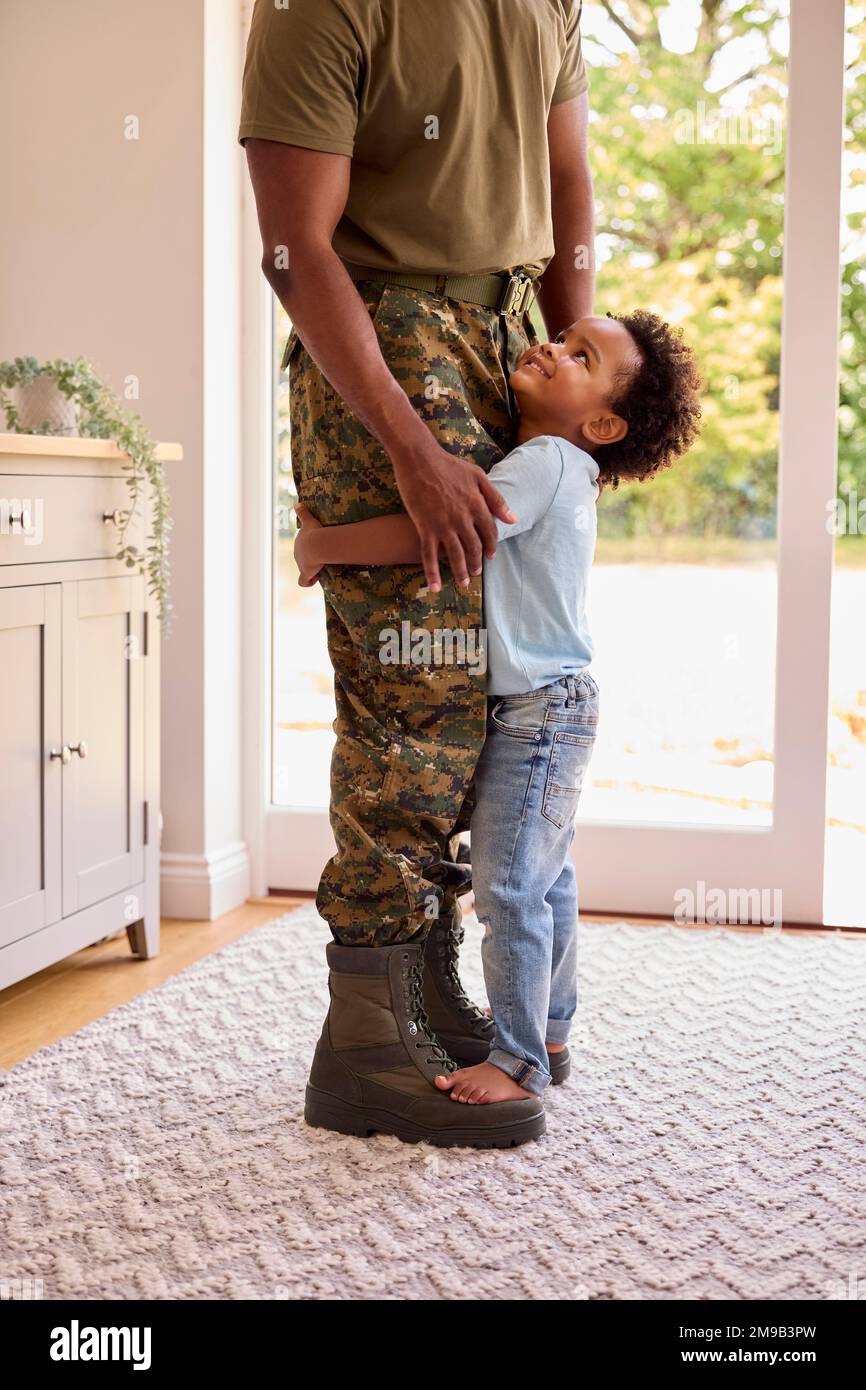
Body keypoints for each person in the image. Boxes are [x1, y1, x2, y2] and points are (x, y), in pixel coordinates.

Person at [240, 0, 595, 1148]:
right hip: (388, 348)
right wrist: (406, 442)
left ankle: (424, 985)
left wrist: (583, 394)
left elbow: (567, 176)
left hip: (504, 343)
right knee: (409, 703)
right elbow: (294, 249)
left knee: (471, 715)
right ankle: (361, 1039)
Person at [294, 310, 703, 1125]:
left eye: (581, 355)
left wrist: (325, 544)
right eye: (565, 335)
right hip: (560, 705)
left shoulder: (547, 460)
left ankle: (519, 1063)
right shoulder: (568, 468)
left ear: (602, 423)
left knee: (510, 887)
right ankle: (549, 1031)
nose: (551, 345)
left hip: (537, 713)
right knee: (545, 879)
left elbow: (441, 529)